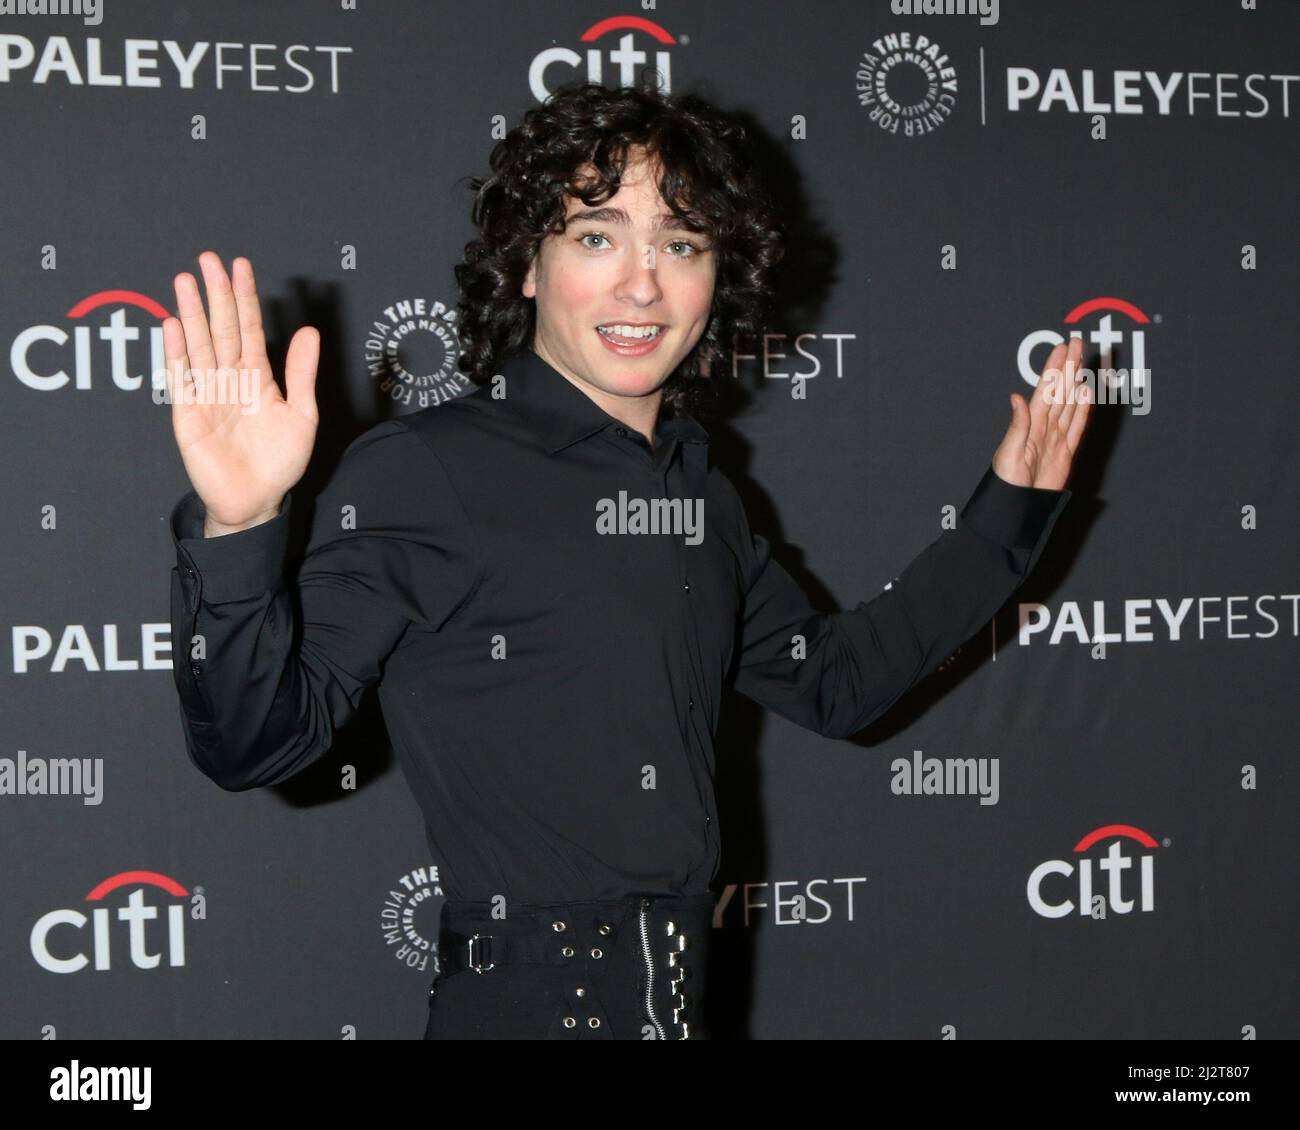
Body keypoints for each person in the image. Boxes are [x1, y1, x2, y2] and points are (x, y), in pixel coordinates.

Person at [162, 81, 1092, 1041]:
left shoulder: (700, 495)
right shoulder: (430, 471)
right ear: (528, 264)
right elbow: (257, 744)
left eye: (681, 245)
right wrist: (243, 525)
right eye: (597, 237)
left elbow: (838, 684)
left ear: (716, 278)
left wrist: (1005, 519)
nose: (642, 285)